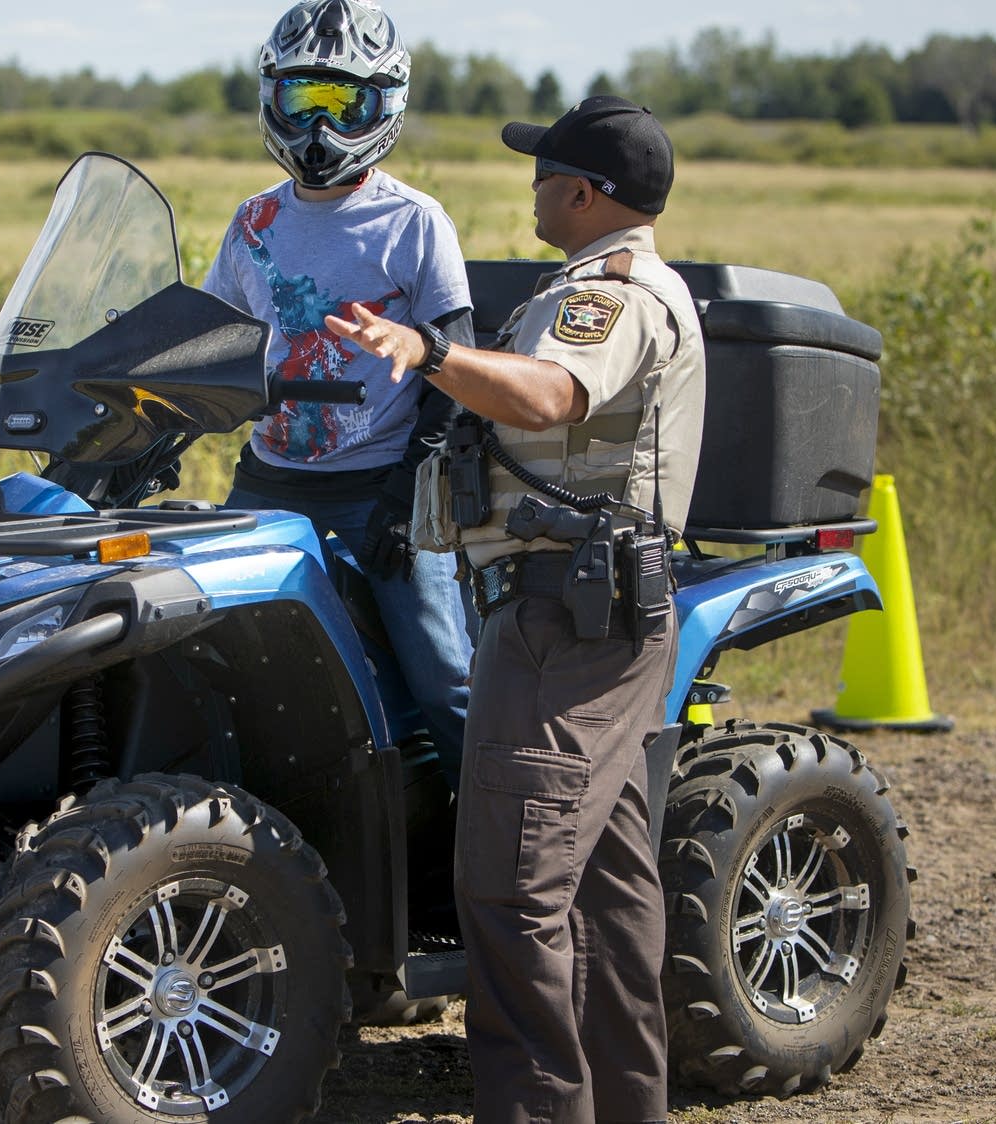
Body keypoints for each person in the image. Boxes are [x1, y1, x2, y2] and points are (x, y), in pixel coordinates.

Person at [327, 95, 705, 1124]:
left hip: (562, 622)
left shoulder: (612, 296)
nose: (531, 183)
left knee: (509, 886)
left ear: (582, 193)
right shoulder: (602, 282)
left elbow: (546, 397)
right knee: (602, 890)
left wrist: (428, 352)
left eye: (544, 171)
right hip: (581, 613)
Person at [202, 0, 475, 786]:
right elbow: (219, 343)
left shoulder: (413, 222)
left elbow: (456, 371)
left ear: (383, 104)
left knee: (447, 679)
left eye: (342, 102)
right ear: (271, 97)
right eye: (303, 100)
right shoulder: (253, 221)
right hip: (266, 482)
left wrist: (403, 492)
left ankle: (479, 862)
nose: (319, 127)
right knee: (216, 665)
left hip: (378, 489)